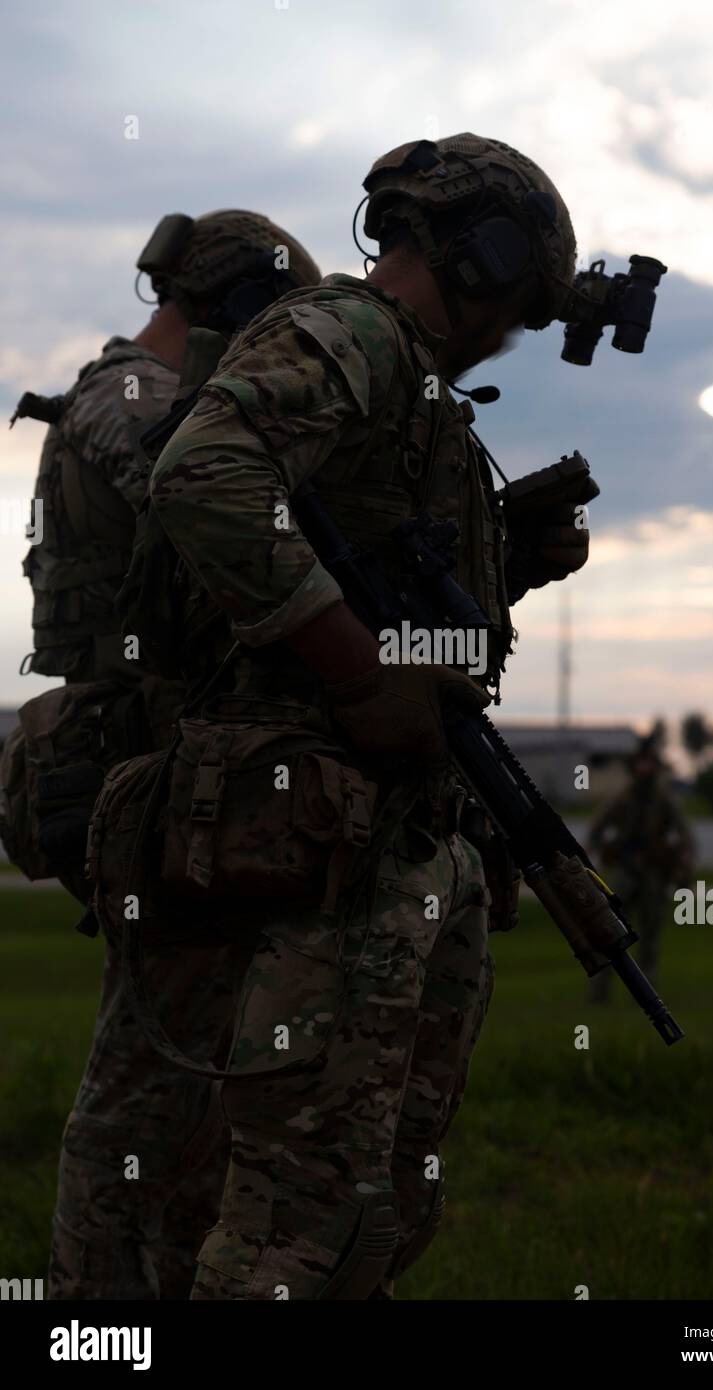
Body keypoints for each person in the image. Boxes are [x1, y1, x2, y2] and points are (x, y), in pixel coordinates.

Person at [111, 133, 590, 1300]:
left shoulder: (411, 380)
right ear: (480, 257)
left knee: (363, 1208)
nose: (513, 332)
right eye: (517, 303)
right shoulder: (356, 336)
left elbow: (373, 577)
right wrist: (356, 669)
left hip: (377, 839)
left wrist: (498, 571)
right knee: (294, 1224)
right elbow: (204, 473)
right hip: (313, 842)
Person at [17, 211, 322, 1300]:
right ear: (238, 303)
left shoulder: (157, 399)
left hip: (174, 770)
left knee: (194, 1100)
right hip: (138, 770)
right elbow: (221, 503)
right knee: (139, 1097)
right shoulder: (134, 398)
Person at [588, 738, 696, 1003]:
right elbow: (596, 831)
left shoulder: (664, 800)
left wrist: (682, 866)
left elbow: (685, 837)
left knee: (650, 936)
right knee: (611, 932)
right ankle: (600, 992)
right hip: (624, 871)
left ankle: (648, 995)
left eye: (649, 763)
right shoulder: (621, 798)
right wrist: (606, 853)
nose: (645, 768)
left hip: (652, 873)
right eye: (641, 763)